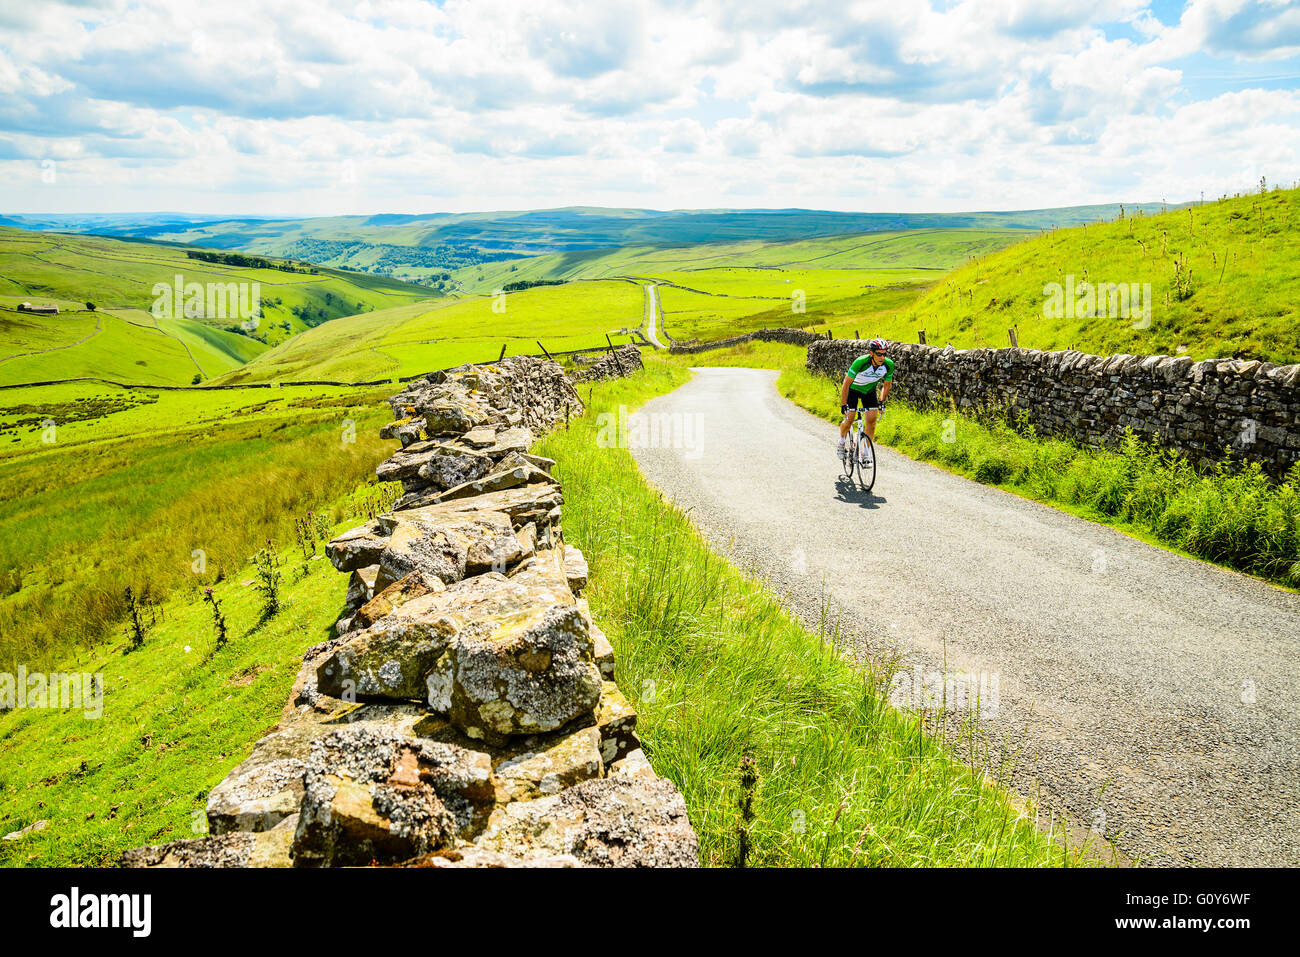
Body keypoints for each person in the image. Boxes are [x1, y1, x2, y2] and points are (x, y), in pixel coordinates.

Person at [838, 338, 893, 463]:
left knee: (872, 422)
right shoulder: (860, 362)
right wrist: (843, 404)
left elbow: (887, 385)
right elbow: (846, 384)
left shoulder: (888, 365)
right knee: (849, 419)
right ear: (871, 353)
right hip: (853, 390)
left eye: (884, 354)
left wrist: (881, 401)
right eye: (879, 354)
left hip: (869, 391)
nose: (882, 357)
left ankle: (865, 453)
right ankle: (841, 442)